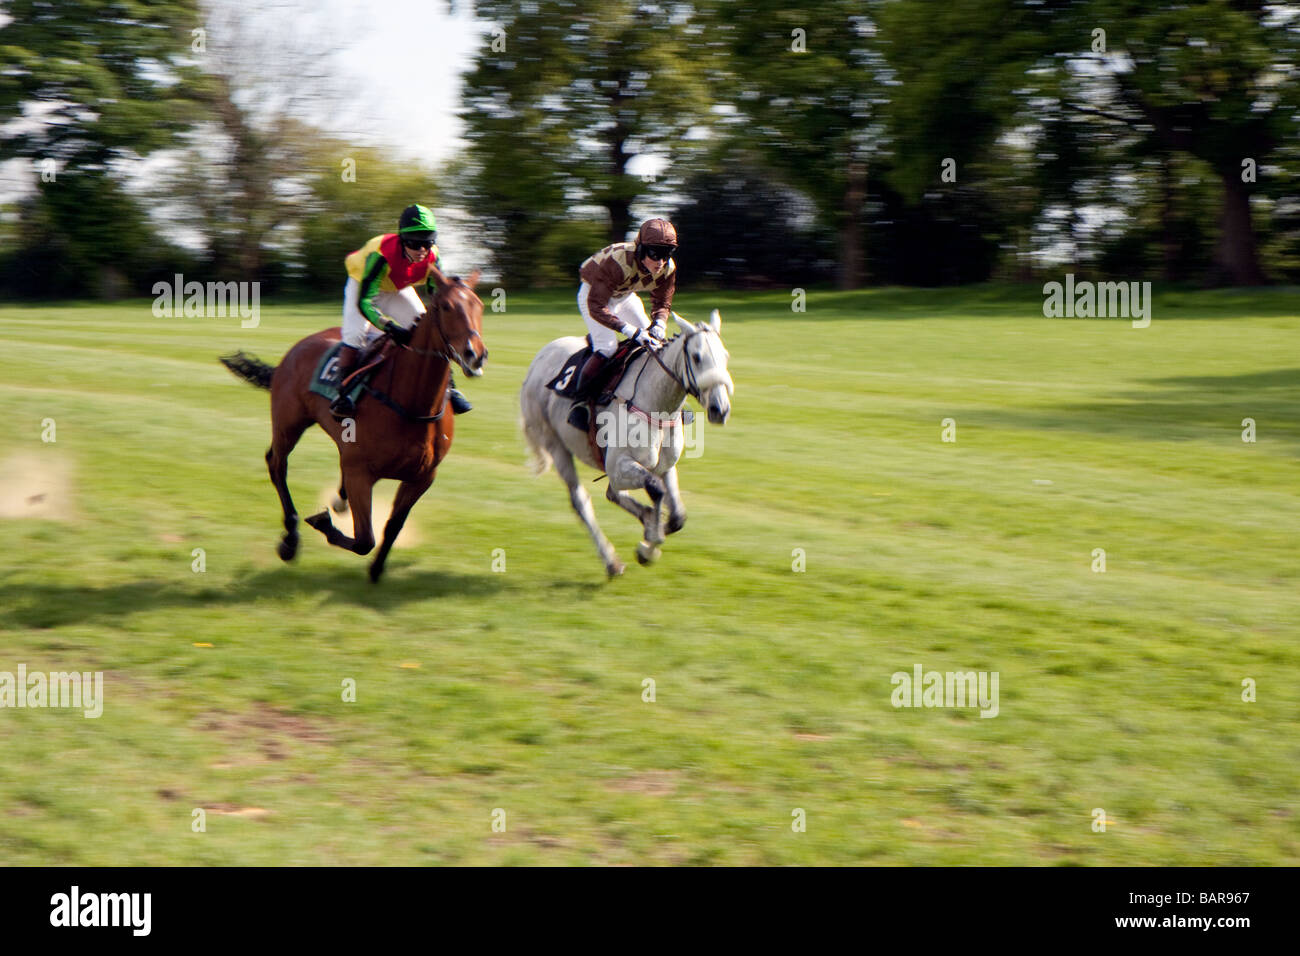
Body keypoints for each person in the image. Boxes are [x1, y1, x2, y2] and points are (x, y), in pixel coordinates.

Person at [331, 204, 472, 419]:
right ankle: (343, 393)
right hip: (364, 287)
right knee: (355, 334)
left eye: (427, 242)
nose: (422, 250)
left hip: (397, 287)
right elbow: (365, 301)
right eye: (415, 243)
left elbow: (437, 298)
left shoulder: (433, 257)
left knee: (426, 327)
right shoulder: (381, 255)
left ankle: (449, 387)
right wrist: (387, 326)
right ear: (401, 239)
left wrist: (452, 291)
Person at [566, 218, 678, 431]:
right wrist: (631, 331)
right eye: (655, 253)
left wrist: (659, 324)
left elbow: (663, 302)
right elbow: (597, 307)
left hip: (624, 295)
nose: (661, 262)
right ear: (641, 249)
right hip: (593, 296)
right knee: (607, 348)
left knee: (656, 343)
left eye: (667, 254)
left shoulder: (668, 268)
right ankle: (579, 403)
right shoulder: (618, 261)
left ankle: (665, 404)